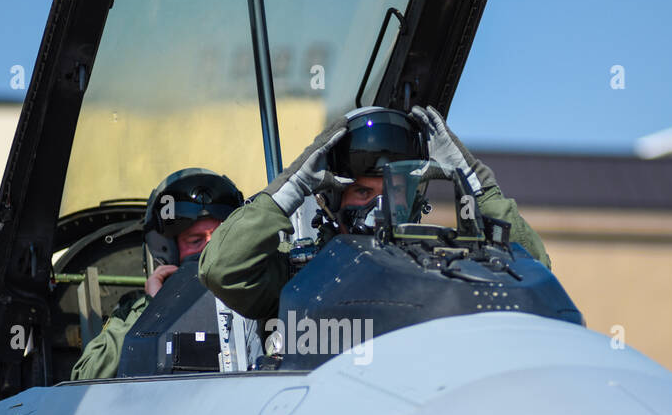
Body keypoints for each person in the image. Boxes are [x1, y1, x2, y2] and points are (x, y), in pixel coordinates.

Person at [199, 105, 552, 321]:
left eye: (394, 192)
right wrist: (293, 186)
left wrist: (478, 185)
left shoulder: (446, 269)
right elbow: (223, 269)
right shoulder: (296, 275)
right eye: (363, 192)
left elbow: (532, 275)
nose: (379, 209)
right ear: (333, 200)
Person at [71, 169, 243, 380]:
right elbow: (86, 375)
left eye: (219, 239)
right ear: (167, 250)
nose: (211, 251)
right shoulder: (135, 311)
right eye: (195, 241)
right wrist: (156, 308)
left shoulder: (259, 291)